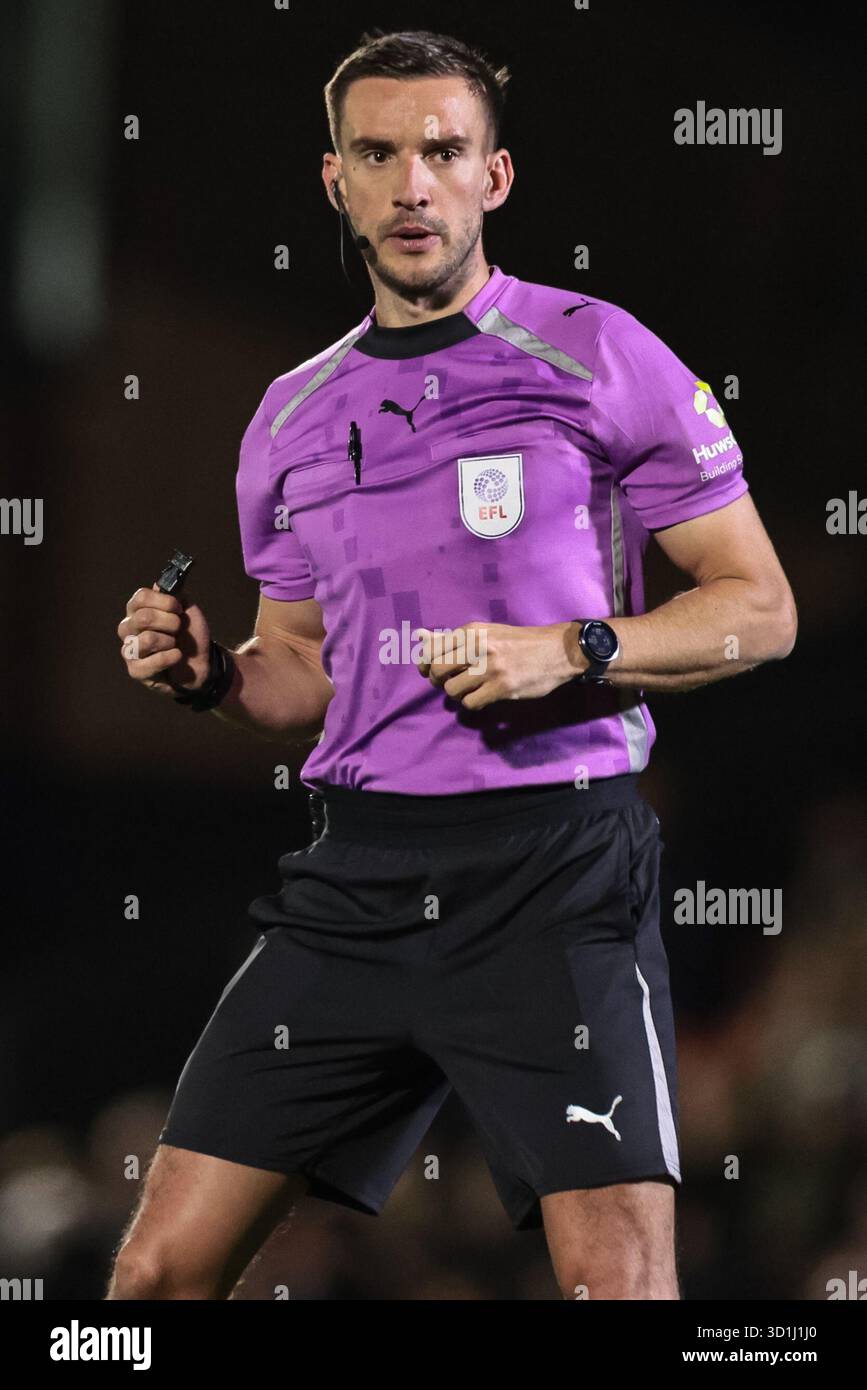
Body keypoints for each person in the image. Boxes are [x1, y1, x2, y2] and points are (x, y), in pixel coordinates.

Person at [109, 28, 797, 1301]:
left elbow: (760, 607)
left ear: (496, 177)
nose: (412, 183)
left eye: (443, 151)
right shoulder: (289, 416)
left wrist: (579, 648)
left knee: (623, 1290)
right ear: (336, 182)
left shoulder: (598, 351)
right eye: (379, 153)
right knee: (148, 1285)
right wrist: (213, 672)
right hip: (356, 879)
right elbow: (302, 673)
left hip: (555, 872)